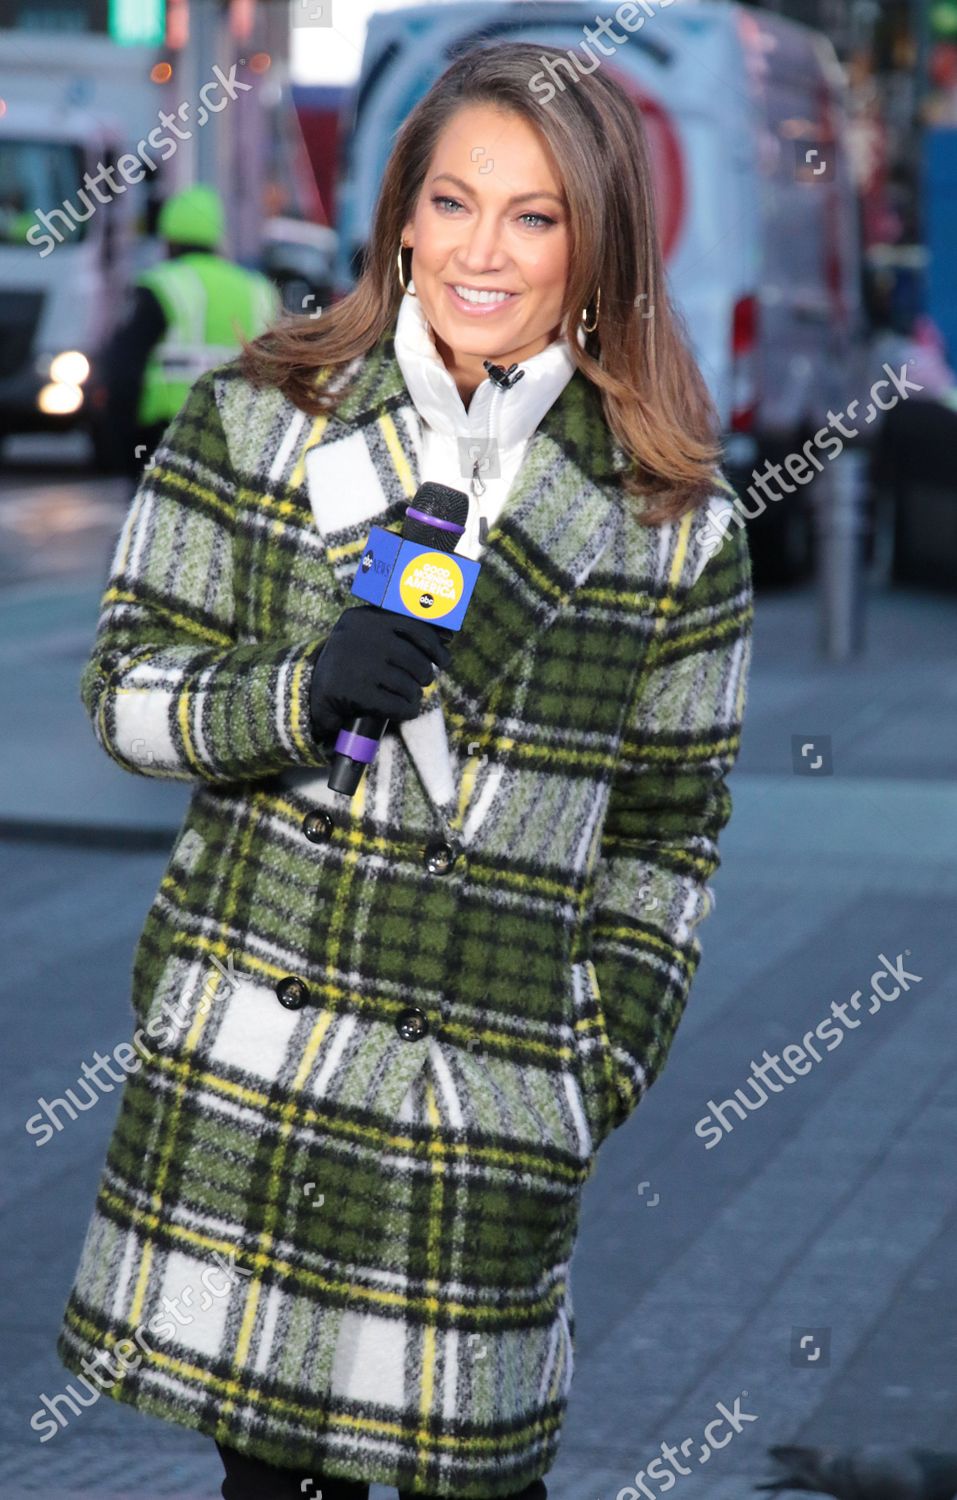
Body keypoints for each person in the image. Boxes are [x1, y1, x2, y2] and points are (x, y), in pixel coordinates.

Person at [57, 43, 754, 1500]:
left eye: (534, 214)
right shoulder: (260, 418)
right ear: (401, 216)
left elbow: (670, 831)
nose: (481, 252)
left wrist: (589, 1061)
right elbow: (125, 696)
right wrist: (296, 699)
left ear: (597, 244)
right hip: (262, 1082)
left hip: (481, 1112)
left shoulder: (672, 522)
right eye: (454, 201)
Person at [89, 183, 278, 476]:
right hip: (241, 437)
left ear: (169, 241)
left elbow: (125, 370)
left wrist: (121, 446)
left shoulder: (163, 286)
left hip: (168, 435)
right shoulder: (260, 291)